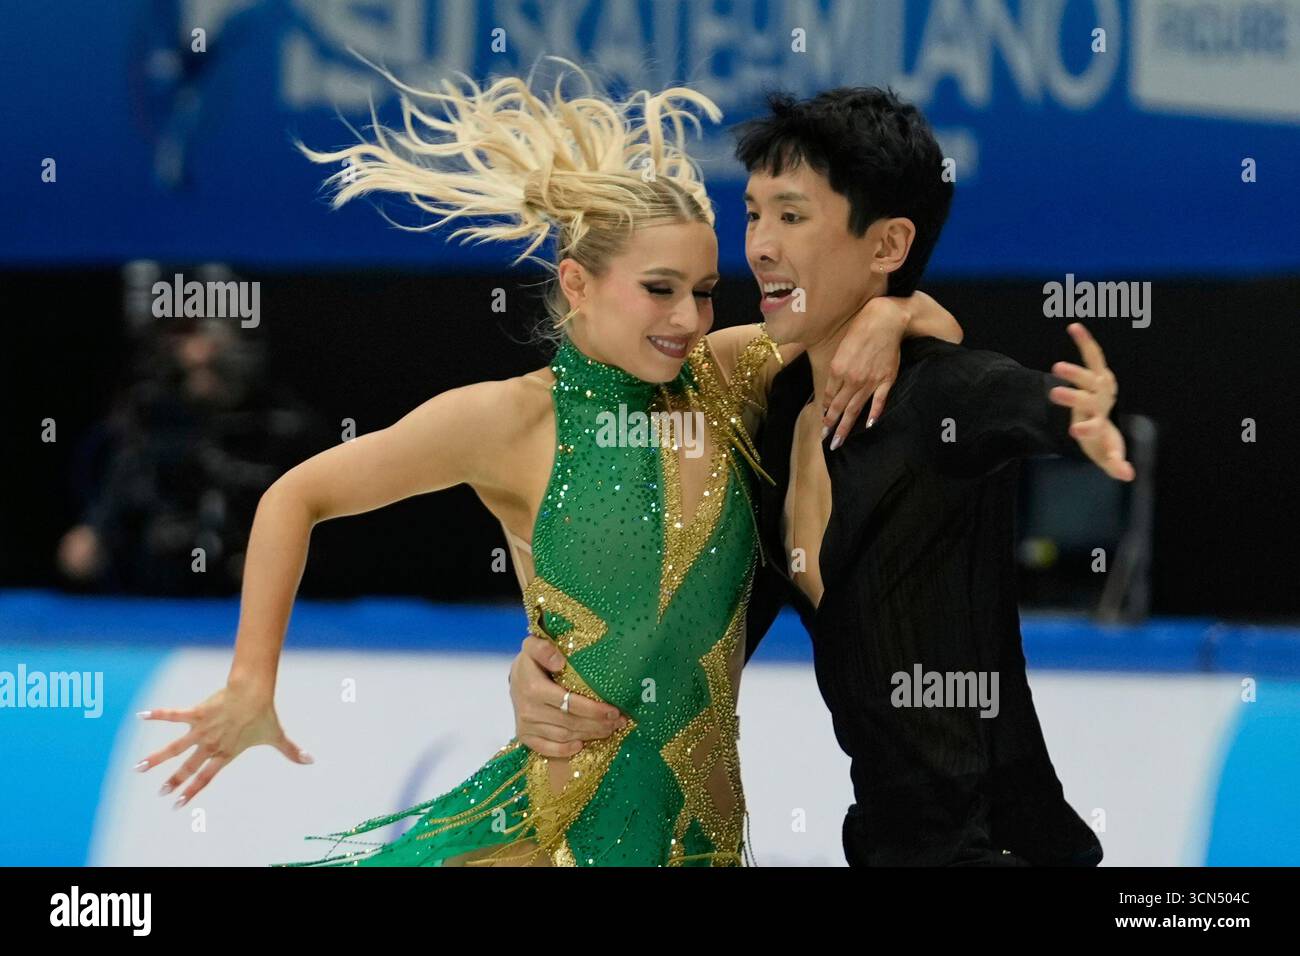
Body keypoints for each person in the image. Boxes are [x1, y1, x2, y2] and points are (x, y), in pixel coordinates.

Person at [131, 62, 962, 867]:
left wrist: (892, 318)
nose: (689, 317)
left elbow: (920, 322)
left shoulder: (728, 377)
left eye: (705, 291)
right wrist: (251, 683)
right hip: (552, 836)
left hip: (699, 845)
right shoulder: (506, 420)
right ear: (577, 284)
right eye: (660, 289)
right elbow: (294, 495)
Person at [508, 86, 1133, 866]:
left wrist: (1085, 413)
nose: (761, 245)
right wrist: (552, 678)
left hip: (1006, 848)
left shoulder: (941, 397)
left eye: (792, 216)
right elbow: (692, 645)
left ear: (887, 245)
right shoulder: (773, 418)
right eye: (754, 214)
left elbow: (1027, 402)